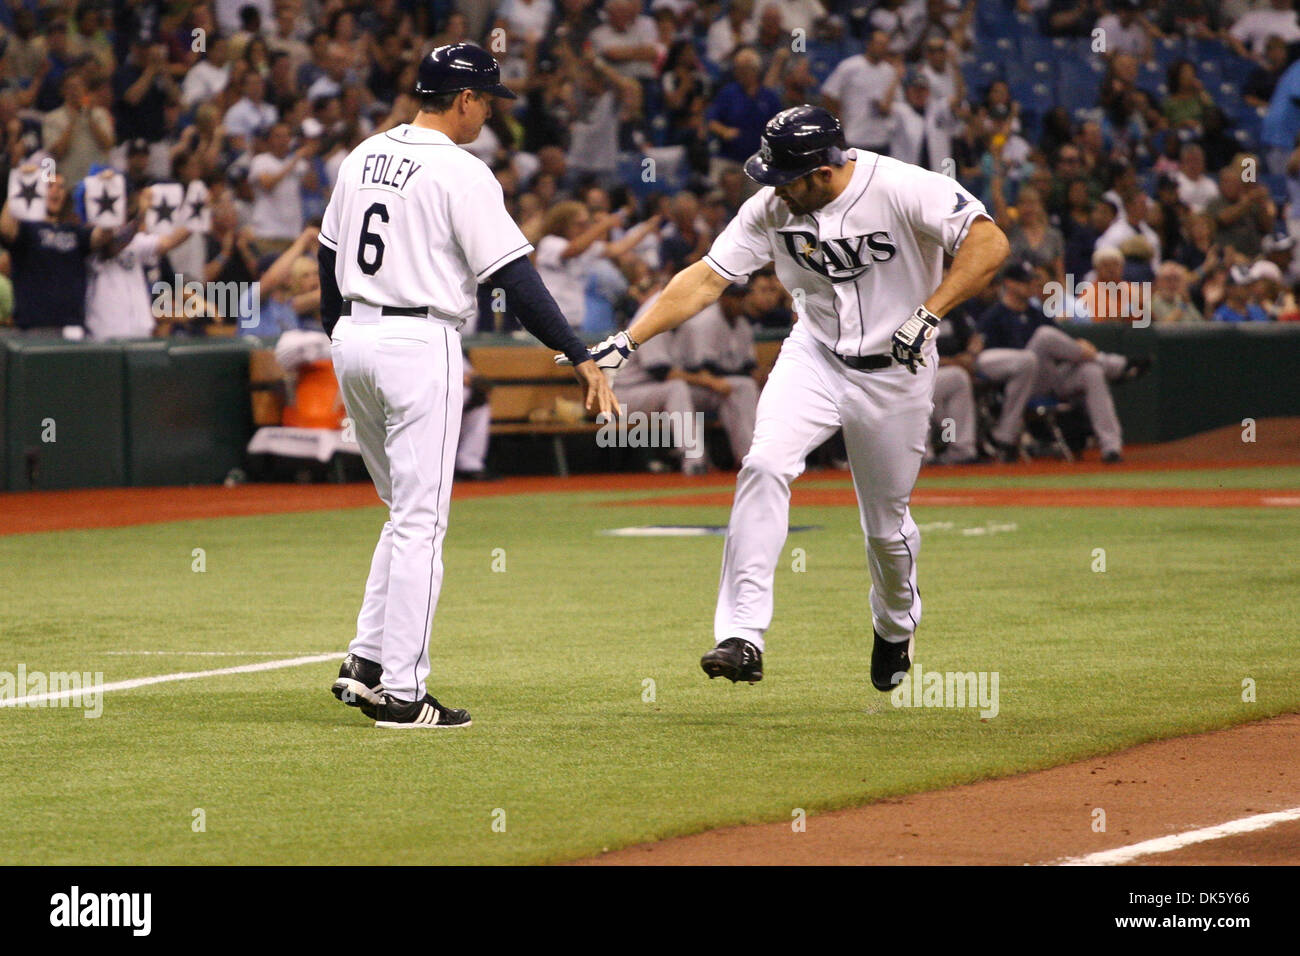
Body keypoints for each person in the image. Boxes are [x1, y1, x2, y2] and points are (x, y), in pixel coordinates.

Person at [570, 106, 1010, 691]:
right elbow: (705, 278)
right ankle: (742, 634)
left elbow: (988, 242)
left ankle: (895, 624)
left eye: (787, 176)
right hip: (815, 355)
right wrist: (625, 343)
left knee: (885, 528)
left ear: (824, 172)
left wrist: (932, 312)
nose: (774, 186)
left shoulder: (904, 186)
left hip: (896, 370)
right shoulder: (772, 207)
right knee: (763, 463)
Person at [321, 43, 617, 729]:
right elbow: (515, 278)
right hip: (419, 340)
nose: (490, 110)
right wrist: (578, 355)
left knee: (402, 511)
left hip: (356, 336)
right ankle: (404, 693)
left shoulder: (363, 154)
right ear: (462, 101)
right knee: (422, 520)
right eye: (487, 99)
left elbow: (327, 254)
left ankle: (366, 662)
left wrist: (344, 336)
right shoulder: (462, 170)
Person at [979, 262, 1136, 463]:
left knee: (1091, 371)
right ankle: (1113, 365)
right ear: (1009, 284)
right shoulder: (994, 316)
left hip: (1048, 378)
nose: (1031, 286)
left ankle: (1111, 448)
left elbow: (1063, 345)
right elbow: (986, 360)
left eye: (1032, 282)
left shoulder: (1036, 314)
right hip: (1017, 386)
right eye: (1025, 282)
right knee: (1043, 338)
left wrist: (1079, 346)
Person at [0, 174, 139, 333]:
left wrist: (107, 188)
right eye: (50, 186)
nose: (56, 191)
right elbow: (5, 228)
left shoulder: (75, 232)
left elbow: (103, 235)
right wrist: (21, 183)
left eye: (60, 187)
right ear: (37, 190)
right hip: (33, 328)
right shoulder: (26, 229)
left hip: (73, 329)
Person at [86, 188, 191, 340]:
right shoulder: (91, 241)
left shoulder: (136, 241)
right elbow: (113, 245)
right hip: (105, 331)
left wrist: (199, 212)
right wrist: (141, 214)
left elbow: (169, 241)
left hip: (141, 330)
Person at [674, 283, 760, 467]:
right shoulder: (704, 322)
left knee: (743, 387)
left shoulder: (742, 324)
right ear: (722, 298)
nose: (740, 301)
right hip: (692, 387)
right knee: (742, 387)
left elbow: (748, 367)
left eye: (742, 296)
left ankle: (751, 456)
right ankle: (748, 457)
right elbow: (702, 370)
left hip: (719, 388)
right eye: (735, 297)